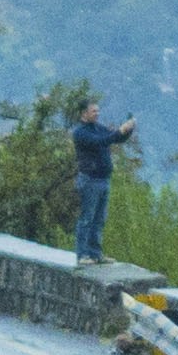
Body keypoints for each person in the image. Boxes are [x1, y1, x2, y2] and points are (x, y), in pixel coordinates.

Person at [66, 95, 128, 261]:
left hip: (103, 179)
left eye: (97, 111)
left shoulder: (98, 128)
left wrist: (127, 130)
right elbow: (101, 141)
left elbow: (116, 138)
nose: (97, 114)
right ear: (84, 113)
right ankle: (82, 254)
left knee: (99, 219)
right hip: (90, 180)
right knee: (87, 218)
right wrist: (119, 132)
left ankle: (95, 253)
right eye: (94, 111)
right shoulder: (81, 133)